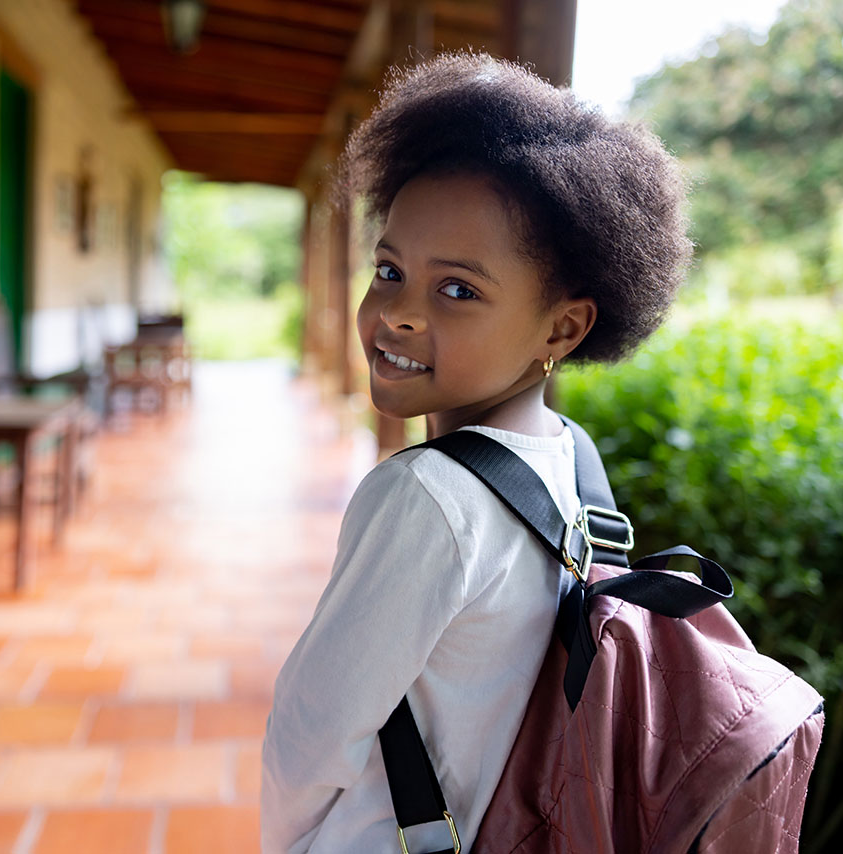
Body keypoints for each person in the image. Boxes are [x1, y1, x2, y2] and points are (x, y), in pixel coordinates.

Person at [261, 52, 691, 853]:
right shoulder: (573, 460)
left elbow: (309, 736)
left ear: (562, 327)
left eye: (457, 289)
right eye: (390, 269)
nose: (398, 313)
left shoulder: (427, 495)